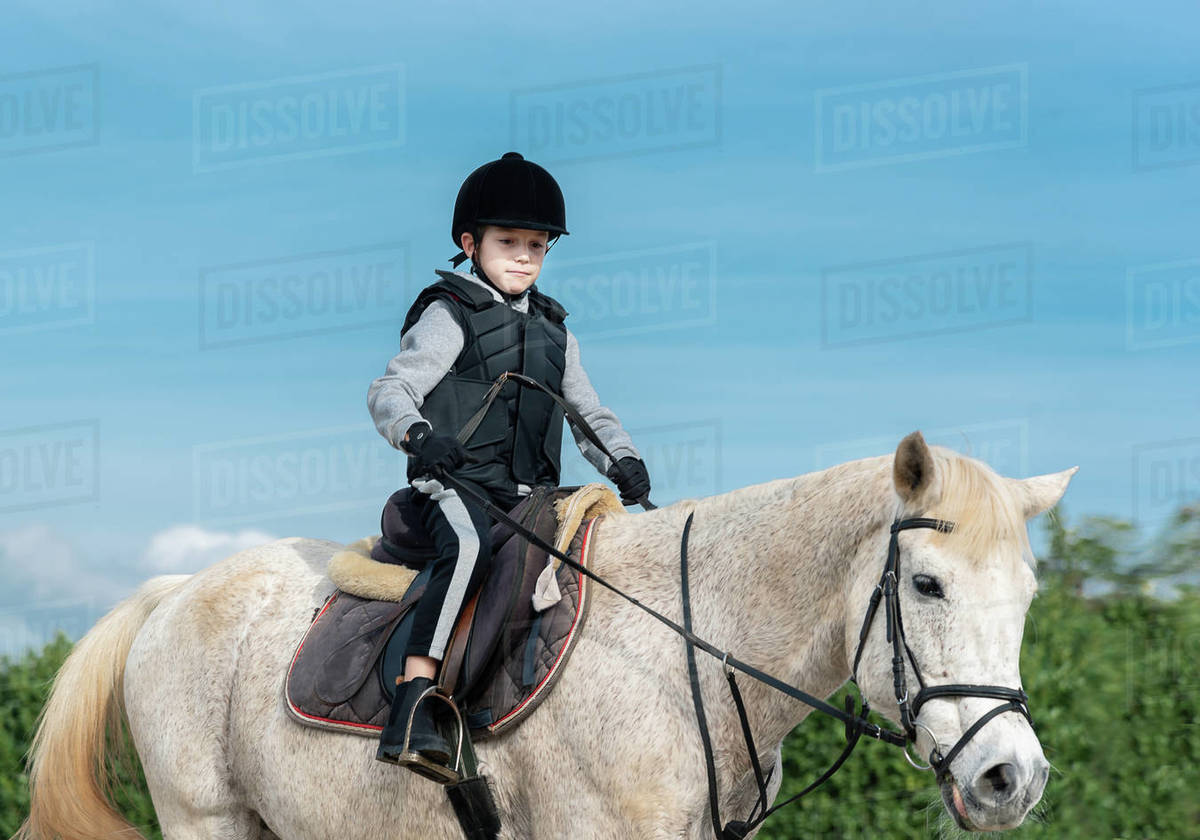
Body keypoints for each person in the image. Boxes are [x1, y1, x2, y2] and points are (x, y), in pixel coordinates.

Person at [367, 151, 651, 774]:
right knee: (469, 548)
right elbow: (390, 391)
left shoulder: (557, 332)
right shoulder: (449, 314)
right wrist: (418, 435)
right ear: (470, 243)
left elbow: (588, 416)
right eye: (508, 242)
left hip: (530, 496)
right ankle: (415, 703)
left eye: (537, 245)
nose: (524, 256)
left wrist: (623, 460)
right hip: (452, 486)